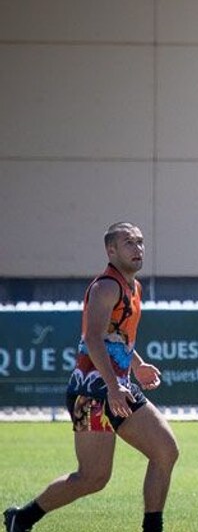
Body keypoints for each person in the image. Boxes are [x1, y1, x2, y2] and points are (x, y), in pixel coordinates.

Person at [5, 223, 179, 532]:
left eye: (140, 242)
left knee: (165, 450)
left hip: (116, 388)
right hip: (92, 394)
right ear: (111, 250)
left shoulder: (134, 288)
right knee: (92, 478)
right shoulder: (106, 286)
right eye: (129, 243)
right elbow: (93, 339)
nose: (138, 249)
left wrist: (136, 365)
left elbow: (116, 336)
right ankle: (23, 517)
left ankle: (153, 528)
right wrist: (112, 387)